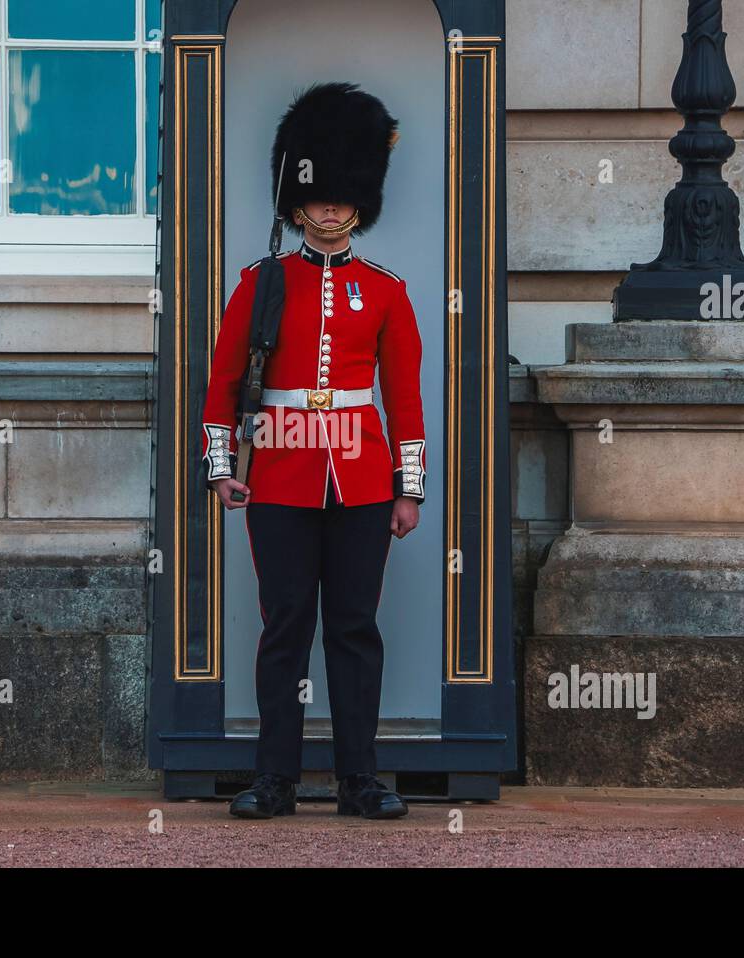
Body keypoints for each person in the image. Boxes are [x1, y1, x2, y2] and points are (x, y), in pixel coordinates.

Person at [199, 81, 426, 819]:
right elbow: (225, 379)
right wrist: (222, 468)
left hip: (360, 480)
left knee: (355, 630)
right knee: (286, 627)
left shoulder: (386, 292)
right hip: (282, 475)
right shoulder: (260, 284)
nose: (329, 207)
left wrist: (409, 487)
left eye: (342, 195)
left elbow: (404, 397)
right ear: (295, 203)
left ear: (361, 201)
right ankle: (276, 779)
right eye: (318, 195)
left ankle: (360, 780)